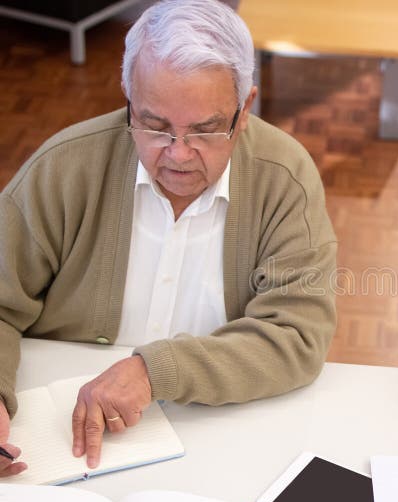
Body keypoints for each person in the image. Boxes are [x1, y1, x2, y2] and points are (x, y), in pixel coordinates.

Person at [0, 0, 336, 477]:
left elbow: (298, 337)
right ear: (128, 97)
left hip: (219, 439)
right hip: (60, 440)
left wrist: (154, 371)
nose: (177, 155)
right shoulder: (63, 168)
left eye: (205, 130)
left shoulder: (286, 179)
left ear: (244, 112)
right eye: (154, 126)